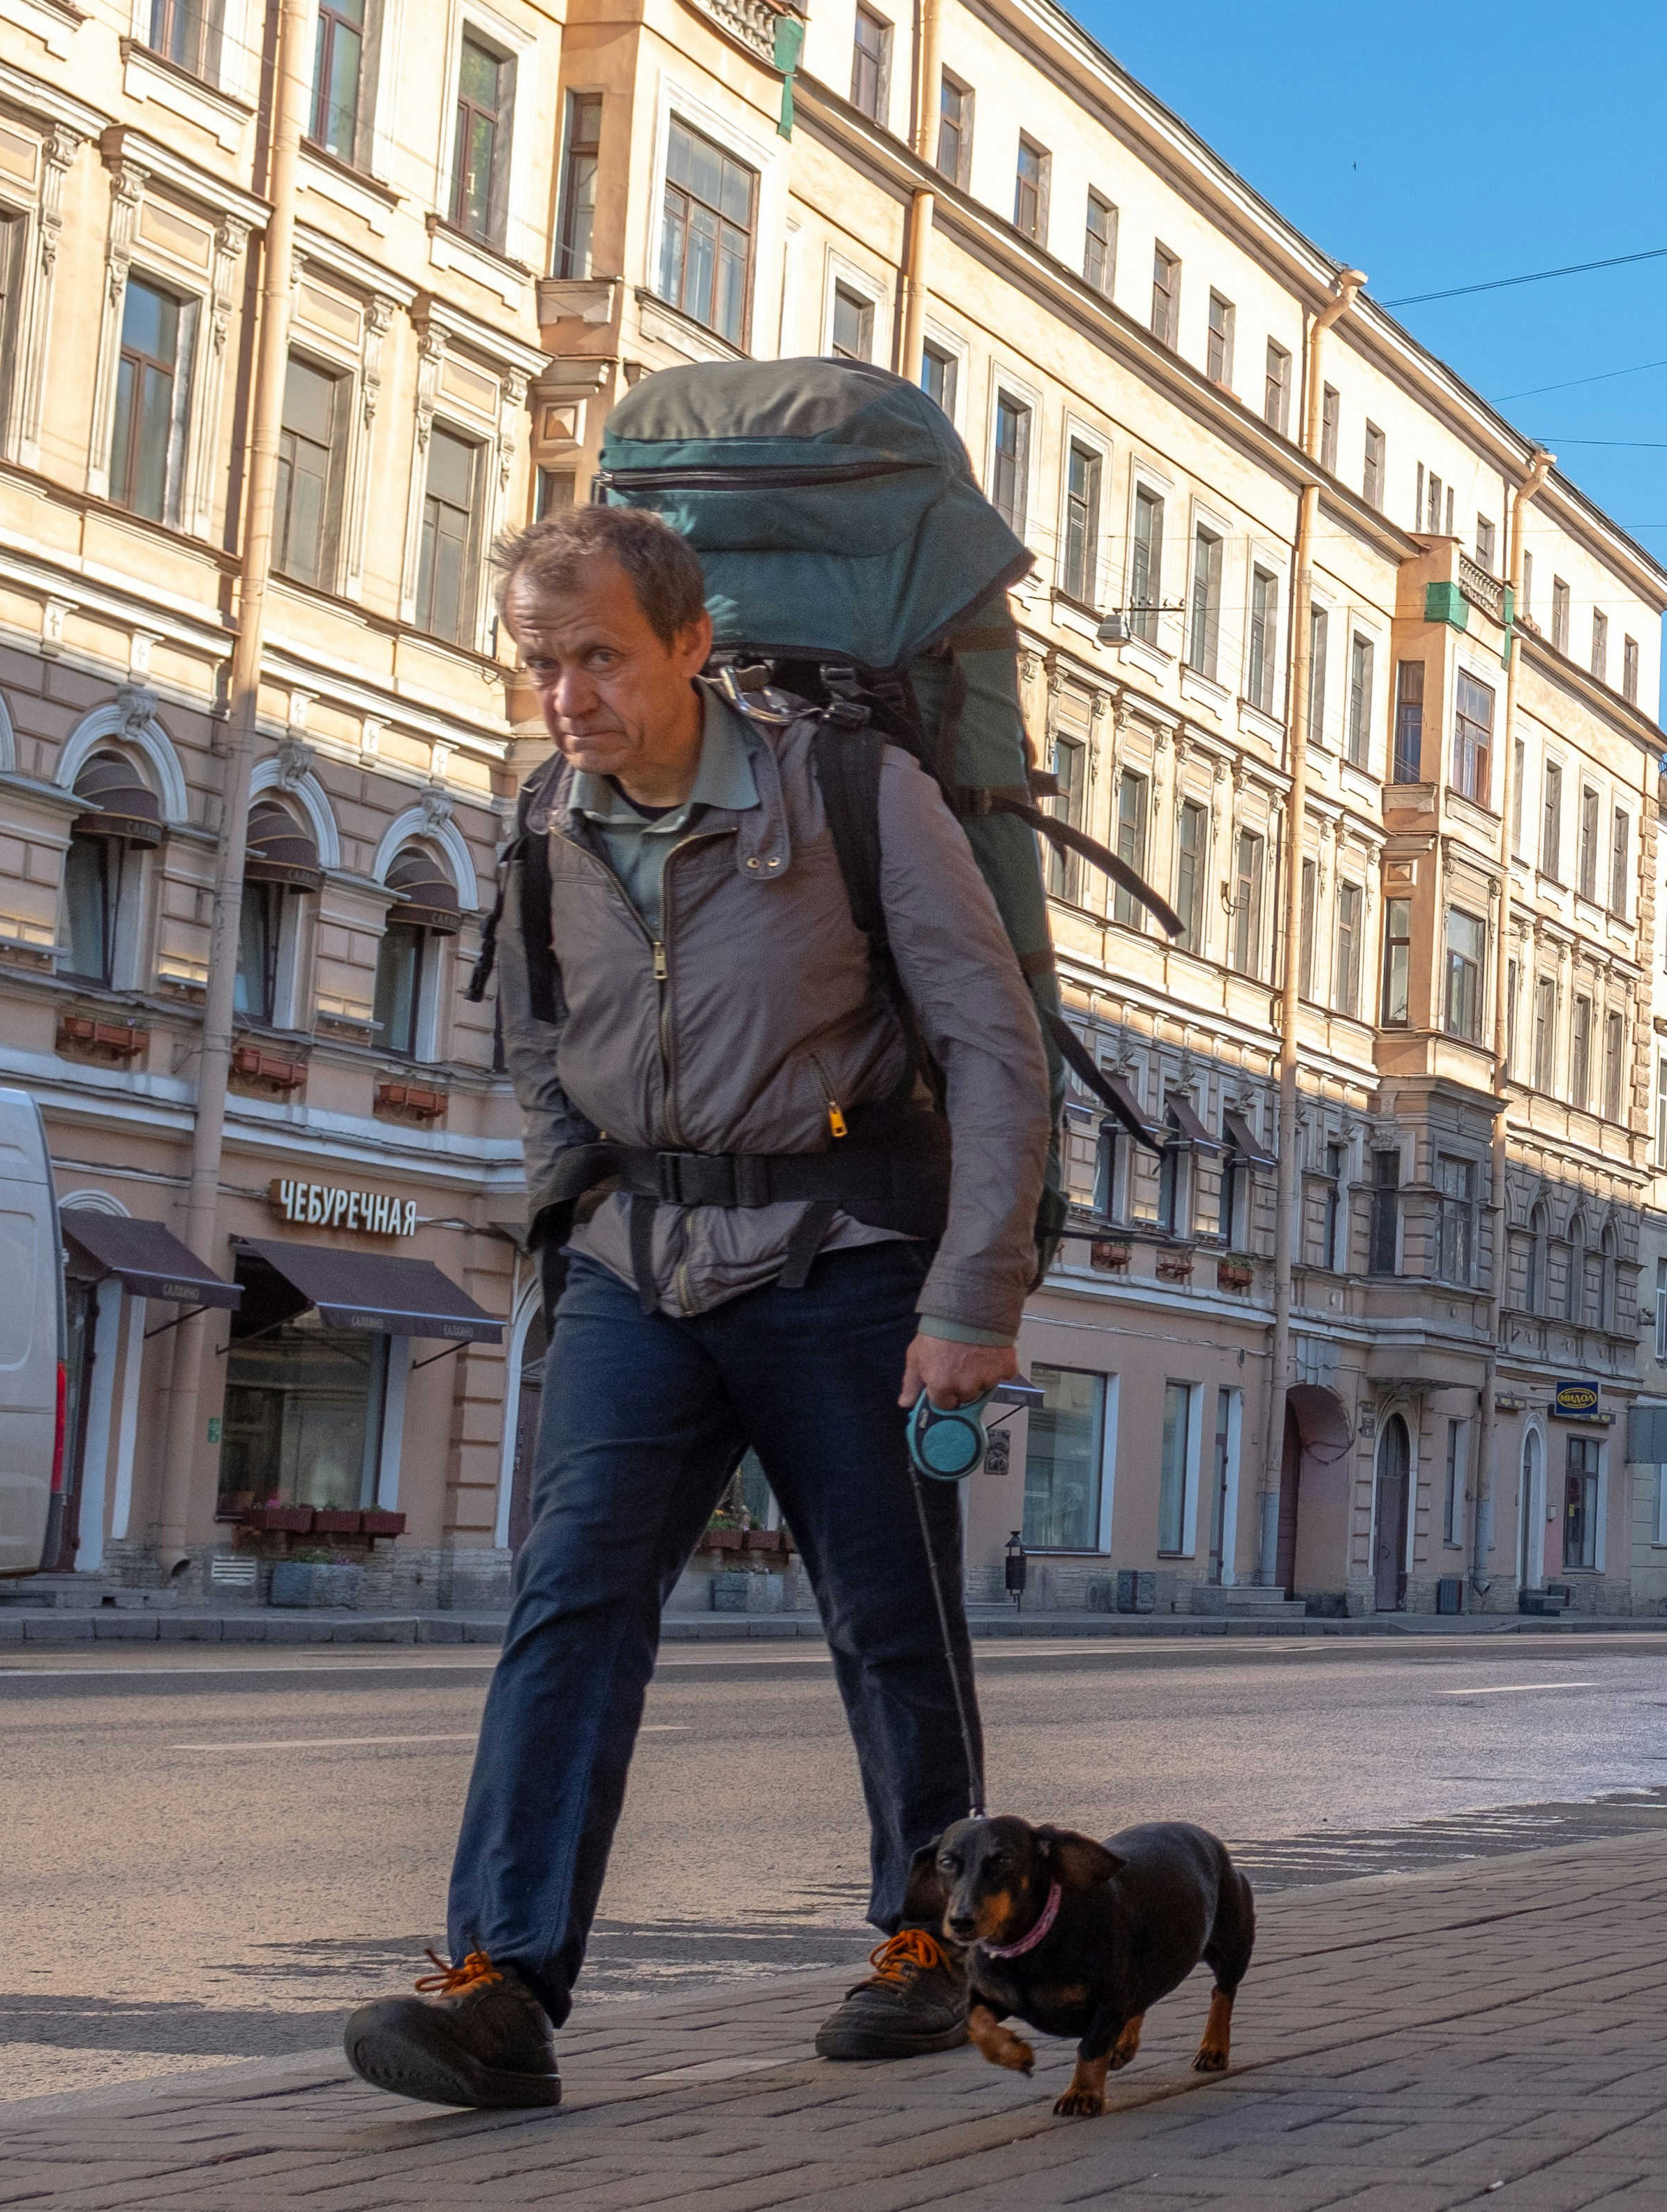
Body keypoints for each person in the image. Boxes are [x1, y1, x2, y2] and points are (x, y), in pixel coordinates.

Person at [342, 507, 1049, 2110]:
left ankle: (929, 1944)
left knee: (888, 1618)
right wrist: (563, 1216)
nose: (567, 694)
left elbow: (993, 1050)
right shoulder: (542, 826)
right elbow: (538, 1047)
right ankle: (503, 1984)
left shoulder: (858, 795)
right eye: (540, 662)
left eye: (598, 655)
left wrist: (972, 1289)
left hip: (846, 1258)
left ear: (688, 645)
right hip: (632, 1269)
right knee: (567, 1604)